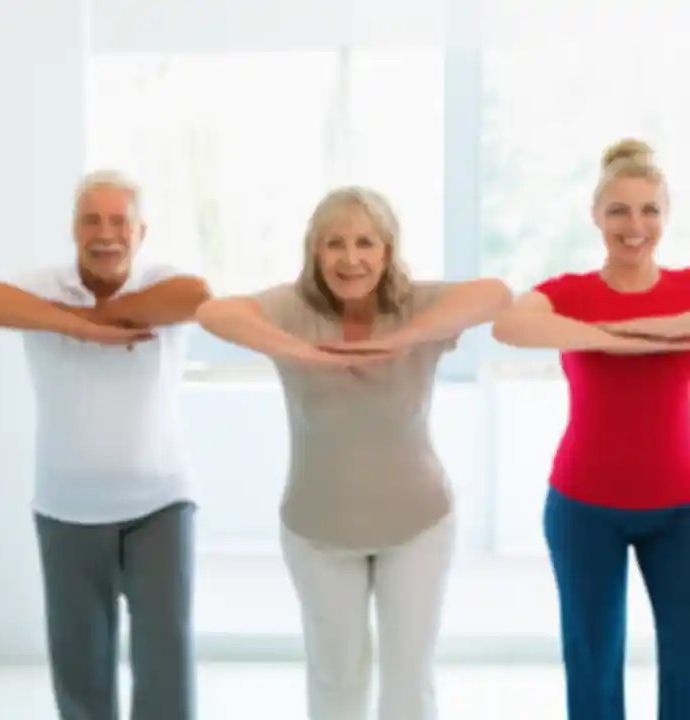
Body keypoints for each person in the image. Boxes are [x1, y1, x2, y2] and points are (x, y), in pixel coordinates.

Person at [197, 186, 511, 720]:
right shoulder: (291, 309)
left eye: (366, 242)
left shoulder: (416, 304)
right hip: (317, 529)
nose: (351, 258)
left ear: (388, 250)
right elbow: (213, 312)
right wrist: (303, 352)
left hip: (417, 524)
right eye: (333, 244)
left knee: (408, 684)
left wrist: (402, 340)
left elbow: (496, 293)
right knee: (335, 681)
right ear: (314, 252)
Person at [0, 170, 211, 720]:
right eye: (92, 220)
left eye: (120, 221)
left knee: (165, 661)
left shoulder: (162, 280)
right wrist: (76, 325)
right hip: (67, 510)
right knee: (80, 668)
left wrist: (96, 319)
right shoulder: (46, 284)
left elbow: (197, 296)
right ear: (74, 229)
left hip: (160, 506)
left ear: (142, 231)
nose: (106, 233)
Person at [492, 140, 690, 720]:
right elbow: (507, 325)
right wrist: (627, 337)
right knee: (593, 663)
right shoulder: (568, 292)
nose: (635, 226)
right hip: (584, 507)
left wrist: (610, 332)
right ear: (596, 216)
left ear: (665, 214)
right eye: (620, 210)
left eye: (649, 209)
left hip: (682, 508)